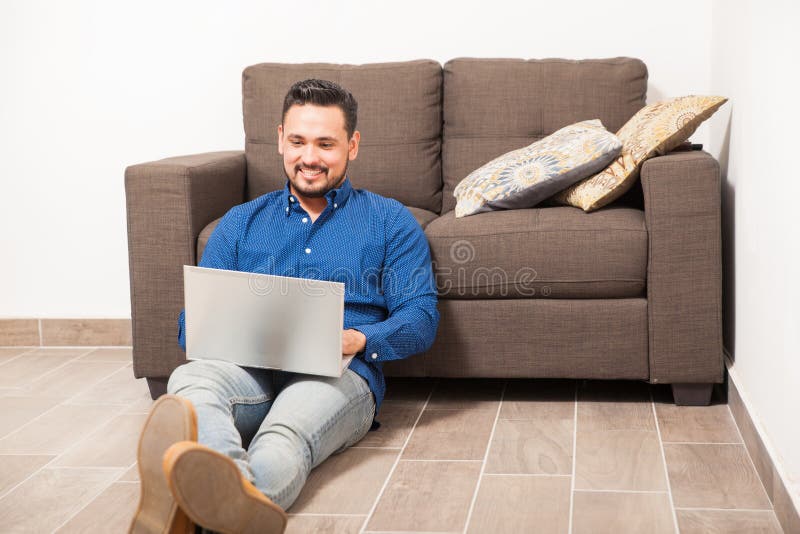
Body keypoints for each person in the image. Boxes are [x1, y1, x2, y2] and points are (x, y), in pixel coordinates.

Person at [129, 79, 440, 534]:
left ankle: (190, 508)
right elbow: (189, 326)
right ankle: (226, 505)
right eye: (297, 141)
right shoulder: (239, 223)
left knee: (283, 437)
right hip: (246, 368)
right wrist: (209, 327)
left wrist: (359, 338)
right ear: (280, 139)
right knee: (190, 380)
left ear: (352, 146)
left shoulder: (390, 221)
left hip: (339, 373)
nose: (309, 157)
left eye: (325, 144)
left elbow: (422, 317)